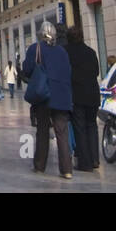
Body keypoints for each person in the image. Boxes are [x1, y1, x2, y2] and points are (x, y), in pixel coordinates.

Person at [23, 22, 73, 179]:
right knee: (62, 133)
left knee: (43, 131)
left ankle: (40, 165)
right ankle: (67, 170)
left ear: (41, 34)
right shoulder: (62, 51)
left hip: (44, 96)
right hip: (63, 96)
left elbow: (27, 70)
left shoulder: (35, 48)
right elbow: (68, 71)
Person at [66, 25, 101, 171]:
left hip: (76, 95)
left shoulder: (66, 52)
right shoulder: (91, 52)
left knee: (79, 128)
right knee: (92, 126)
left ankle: (84, 162)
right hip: (92, 94)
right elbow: (96, 72)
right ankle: (94, 159)